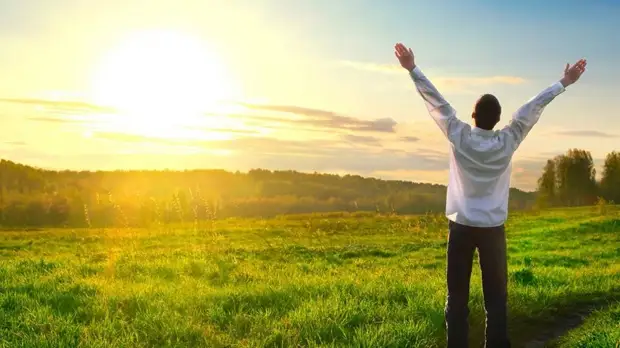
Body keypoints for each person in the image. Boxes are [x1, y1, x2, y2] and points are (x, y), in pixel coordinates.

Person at [393, 42, 587, 348]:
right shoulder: (508, 140)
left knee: (456, 297)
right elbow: (532, 108)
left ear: (473, 115)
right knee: (496, 299)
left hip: (461, 228)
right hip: (493, 231)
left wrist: (412, 69)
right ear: (498, 120)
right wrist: (564, 83)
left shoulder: (459, 136)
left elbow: (437, 103)